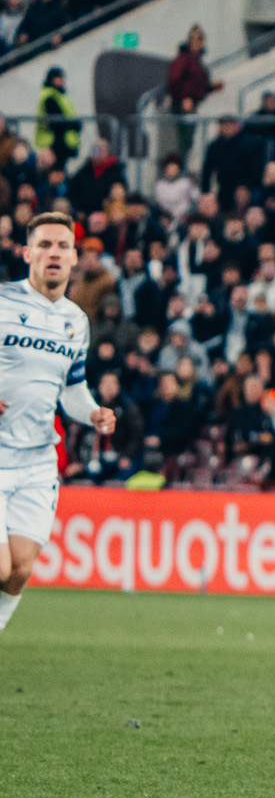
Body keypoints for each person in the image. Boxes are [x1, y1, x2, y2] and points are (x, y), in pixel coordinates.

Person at [0, 212, 116, 634]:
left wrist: (93, 412)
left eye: (62, 246)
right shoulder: (4, 301)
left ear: (74, 259)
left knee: (19, 570)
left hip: (35, 462)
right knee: (0, 565)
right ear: (28, 253)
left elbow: (71, 388)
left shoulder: (75, 321)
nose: (54, 253)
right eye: (45, 244)